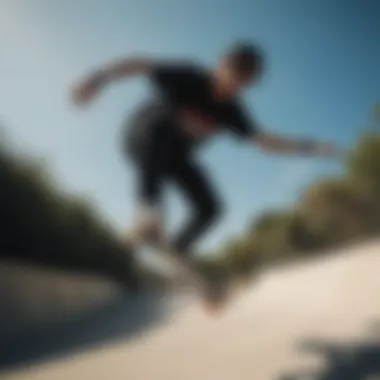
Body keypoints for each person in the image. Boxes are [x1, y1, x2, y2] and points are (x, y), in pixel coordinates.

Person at [71, 41, 339, 296]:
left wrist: (312, 148)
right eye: (233, 75)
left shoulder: (233, 111)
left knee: (211, 208)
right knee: (163, 129)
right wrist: (98, 78)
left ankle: (178, 249)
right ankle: (147, 213)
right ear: (221, 64)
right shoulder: (189, 76)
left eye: (244, 83)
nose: (234, 86)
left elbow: (265, 142)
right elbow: (141, 64)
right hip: (140, 138)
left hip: (174, 160)